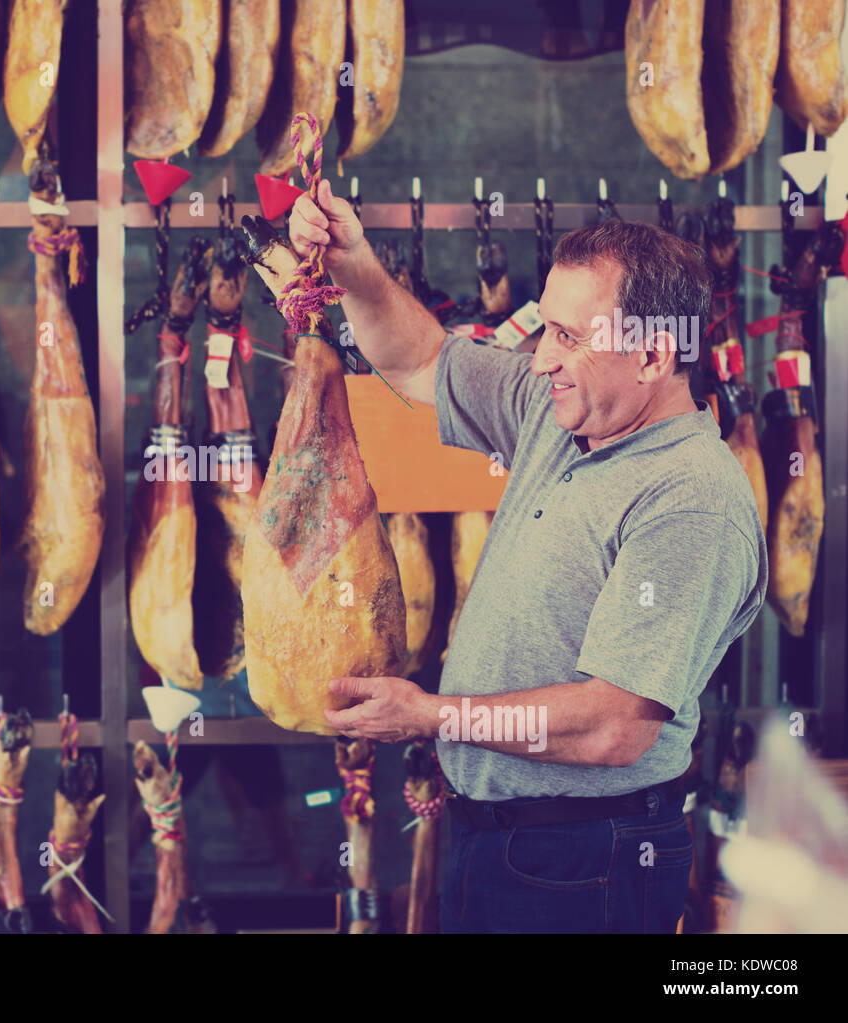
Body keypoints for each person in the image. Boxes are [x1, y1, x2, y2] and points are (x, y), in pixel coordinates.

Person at [291, 180, 767, 934]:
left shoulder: (689, 502)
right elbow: (419, 357)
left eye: (570, 337)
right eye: (546, 328)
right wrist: (353, 265)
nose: (542, 358)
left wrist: (434, 716)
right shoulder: (564, 414)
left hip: (588, 858)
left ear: (652, 355)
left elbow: (617, 727)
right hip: (497, 836)